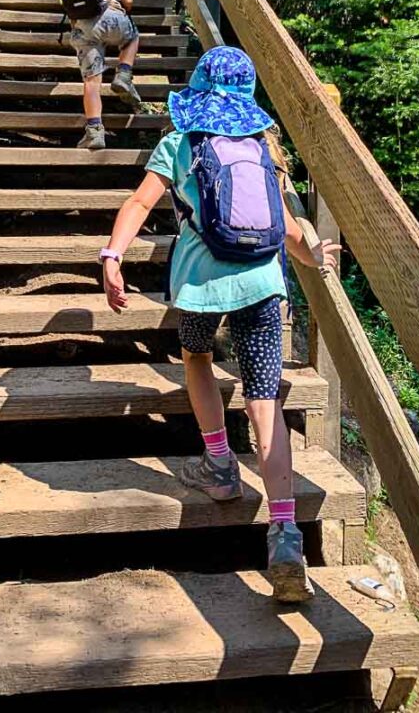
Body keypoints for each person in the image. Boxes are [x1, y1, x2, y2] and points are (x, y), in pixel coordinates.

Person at [98, 46, 341, 601]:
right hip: (263, 285)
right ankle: (285, 533)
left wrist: (113, 255)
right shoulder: (262, 146)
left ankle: (220, 464)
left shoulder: (180, 143)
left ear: (200, 91)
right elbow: (285, 224)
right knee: (264, 400)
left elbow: (139, 203)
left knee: (198, 358)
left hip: (201, 287)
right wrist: (311, 256)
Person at [52, 0, 142, 150]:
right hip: (112, 18)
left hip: (82, 26)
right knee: (132, 37)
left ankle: (94, 132)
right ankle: (124, 75)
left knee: (92, 82)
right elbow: (128, 1)